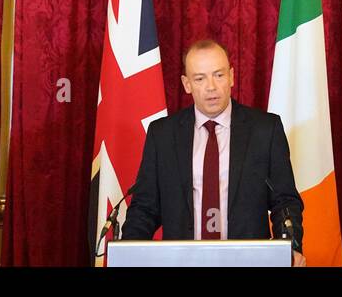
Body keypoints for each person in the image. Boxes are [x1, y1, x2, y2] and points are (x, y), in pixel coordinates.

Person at [121, 39, 306, 265]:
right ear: (186, 84)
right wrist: (128, 255)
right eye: (200, 78)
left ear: (231, 77)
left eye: (218, 75)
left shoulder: (265, 130)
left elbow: (284, 201)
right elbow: (145, 207)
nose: (211, 86)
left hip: (248, 261)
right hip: (180, 262)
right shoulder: (162, 135)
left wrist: (291, 246)